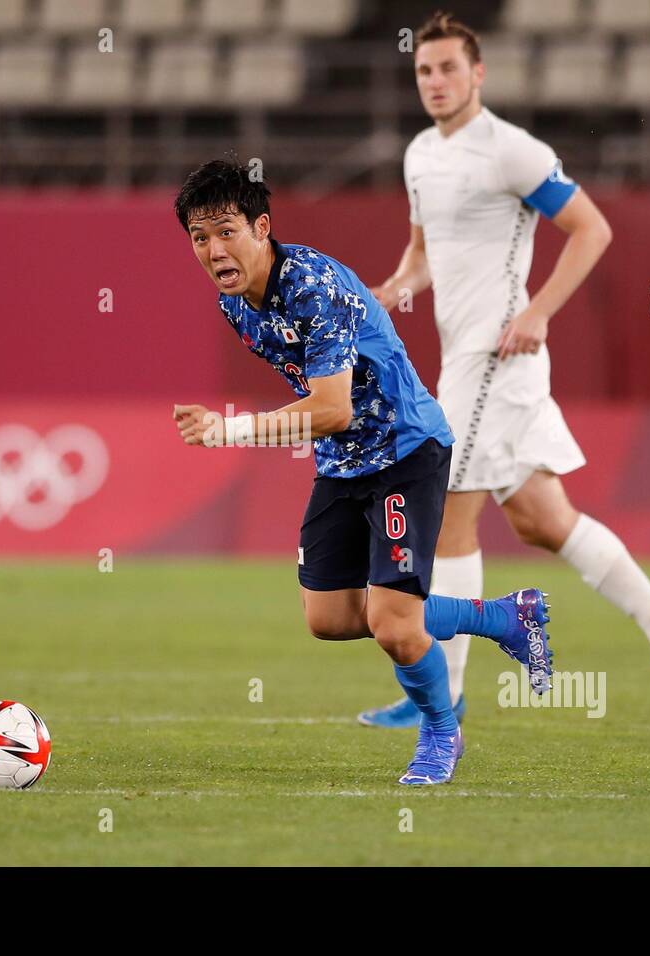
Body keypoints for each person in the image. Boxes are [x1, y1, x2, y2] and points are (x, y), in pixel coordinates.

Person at [359, 11, 650, 731]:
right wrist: (394, 288)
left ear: (478, 72)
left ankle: (442, 698)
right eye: (424, 70)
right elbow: (423, 254)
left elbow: (593, 228)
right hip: (463, 355)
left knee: (447, 511)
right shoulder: (420, 155)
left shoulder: (512, 151)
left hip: (498, 356)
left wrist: (541, 311)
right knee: (544, 519)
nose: (436, 81)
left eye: (449, 67)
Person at [171, 158, 553, 785]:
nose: (214, 250)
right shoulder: (236, 304)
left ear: (262, 227)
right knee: (329, 618)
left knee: (393, 624)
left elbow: (331, 406)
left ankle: (440, 733)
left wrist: (229, 429)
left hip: (406, 451)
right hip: (345, 462)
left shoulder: (313, 288)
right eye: (199, 237)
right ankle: (506, 618)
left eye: (226, 230)